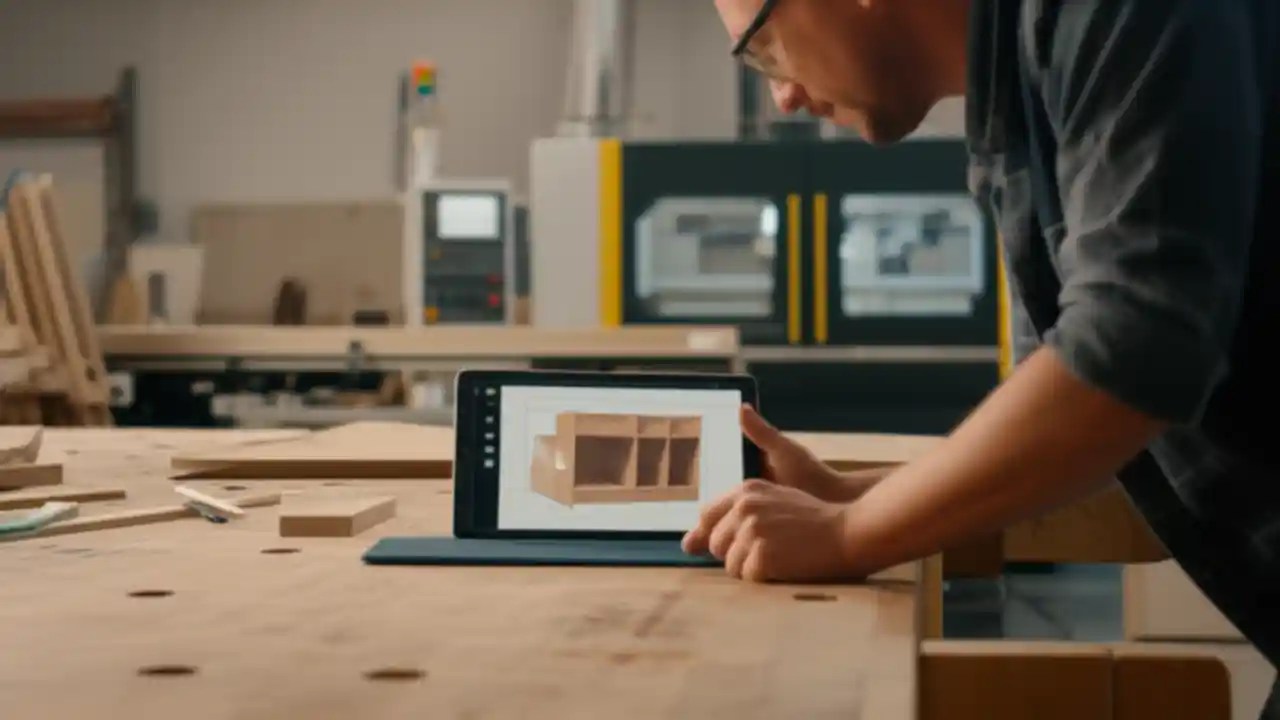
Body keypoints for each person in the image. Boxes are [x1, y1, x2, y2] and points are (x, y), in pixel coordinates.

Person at [687, 0, 1280, 715]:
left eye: (762, 47)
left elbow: (1132, 355)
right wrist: (855, 497)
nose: (780, 93)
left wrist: (849, 537)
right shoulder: (1016, 98)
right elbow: (1090, 449)